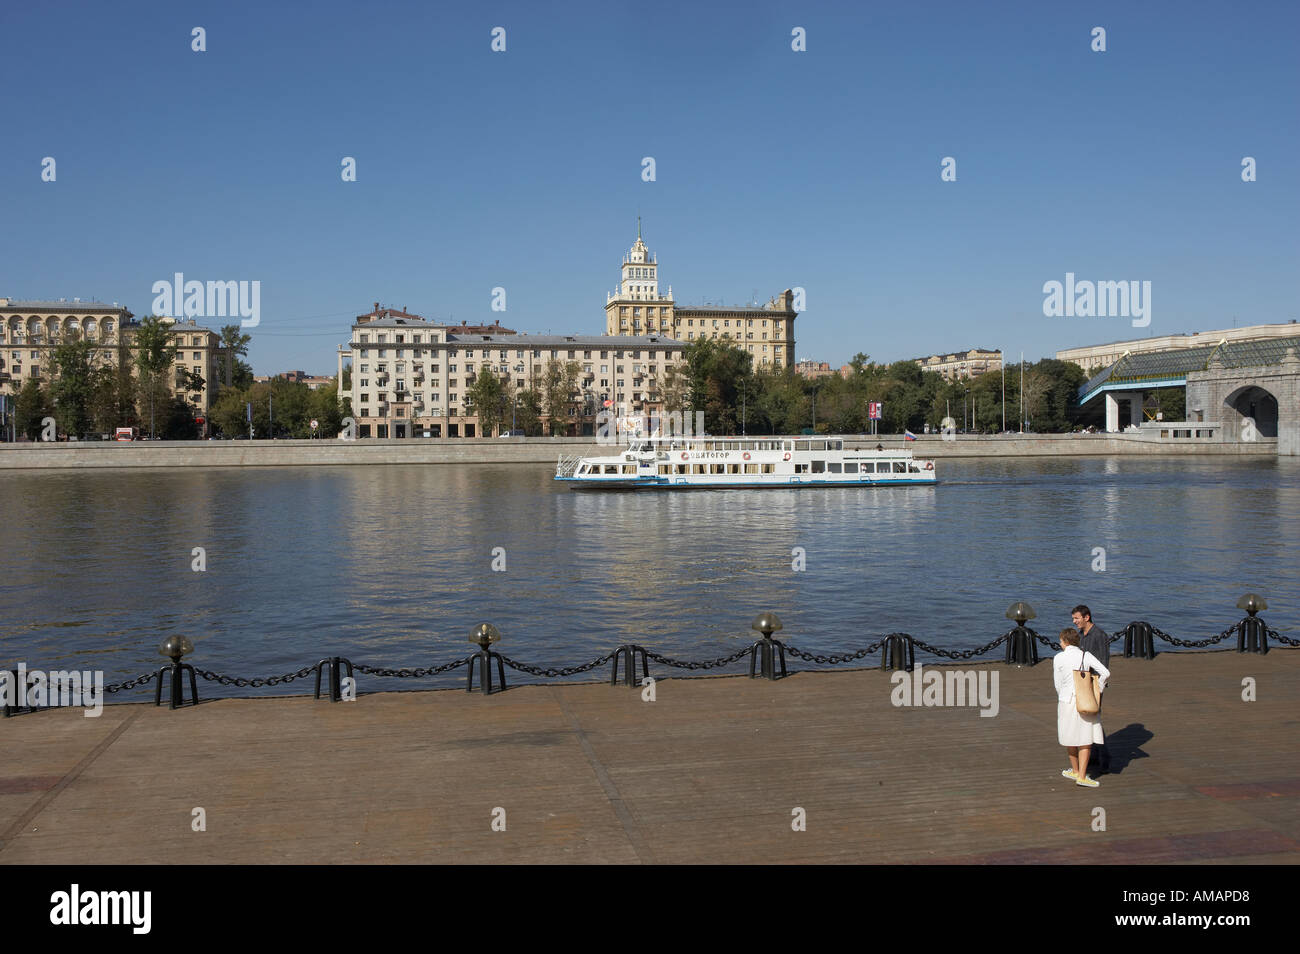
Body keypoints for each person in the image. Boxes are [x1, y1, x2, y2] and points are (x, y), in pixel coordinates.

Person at [1053, 628, 1110, 787]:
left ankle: (1076, 770)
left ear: (1065, 641)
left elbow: (1057, 683)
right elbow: (1105, 673)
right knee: (1085, 739)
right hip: (1084, 700)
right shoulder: (1086, 655)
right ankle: (1083, 776)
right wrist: (1097, 689)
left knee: (1069, 736)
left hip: (1065, 700)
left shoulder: (1058, 658)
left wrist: (1063, 694)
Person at [1071, 605, 1111, 775]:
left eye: (1077, 618)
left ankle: (1104, 756)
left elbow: (1103, 663)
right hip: (1083, 683)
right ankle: (1094, 754)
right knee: (1088, 719)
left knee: (1094, 719)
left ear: (1087, 618)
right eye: (1074, 619)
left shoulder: (1099, 635)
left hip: (1094, 683)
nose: (1075, 622)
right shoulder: (1081, 635)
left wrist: (1099, 688)